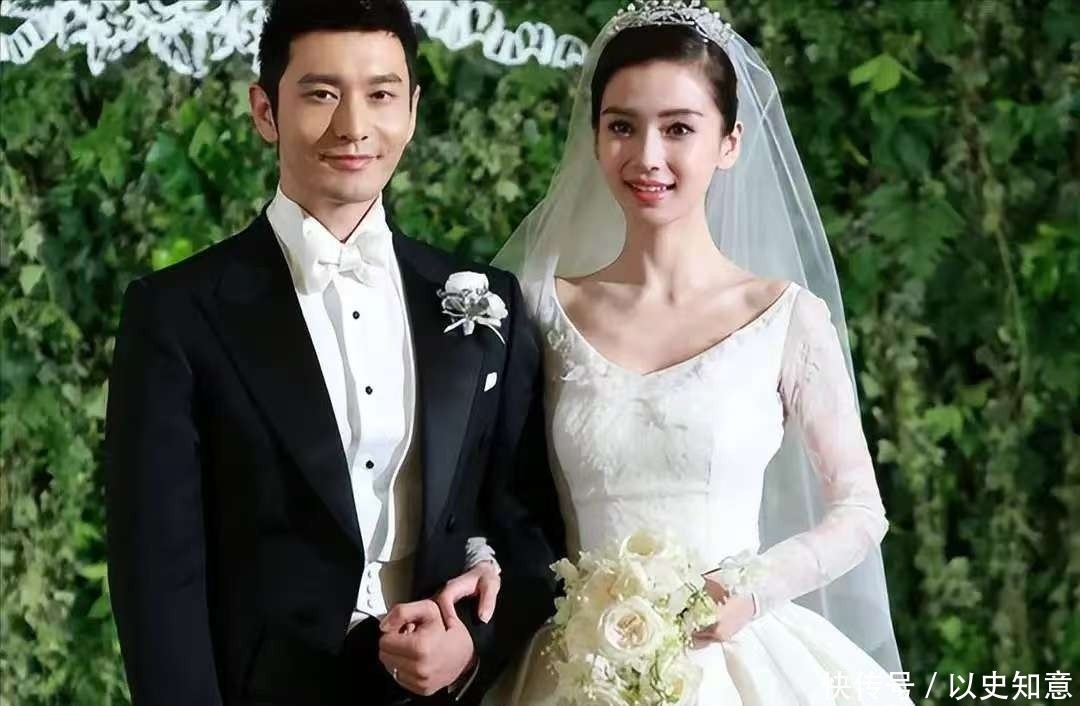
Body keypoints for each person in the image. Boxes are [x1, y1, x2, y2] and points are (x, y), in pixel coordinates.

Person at [104, 1, 561, 704]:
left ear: (412, 109)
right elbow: (156, 576)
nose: (353, 126)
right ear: (265, 111)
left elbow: (527, 527)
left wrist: (472, 642)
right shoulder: (176, 314)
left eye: (380, 95)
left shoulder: (483, 298)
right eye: (321, 94)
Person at [468, 1, 917, 703]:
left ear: (730, 142)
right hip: (576, 663)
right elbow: (483, 490)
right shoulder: (540, 309)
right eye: (622, 126)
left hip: (736, 659)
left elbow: (860, 509)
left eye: (678, 128)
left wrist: (753, 589)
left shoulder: (785, 318)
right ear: (595, 136)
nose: (647, 156)